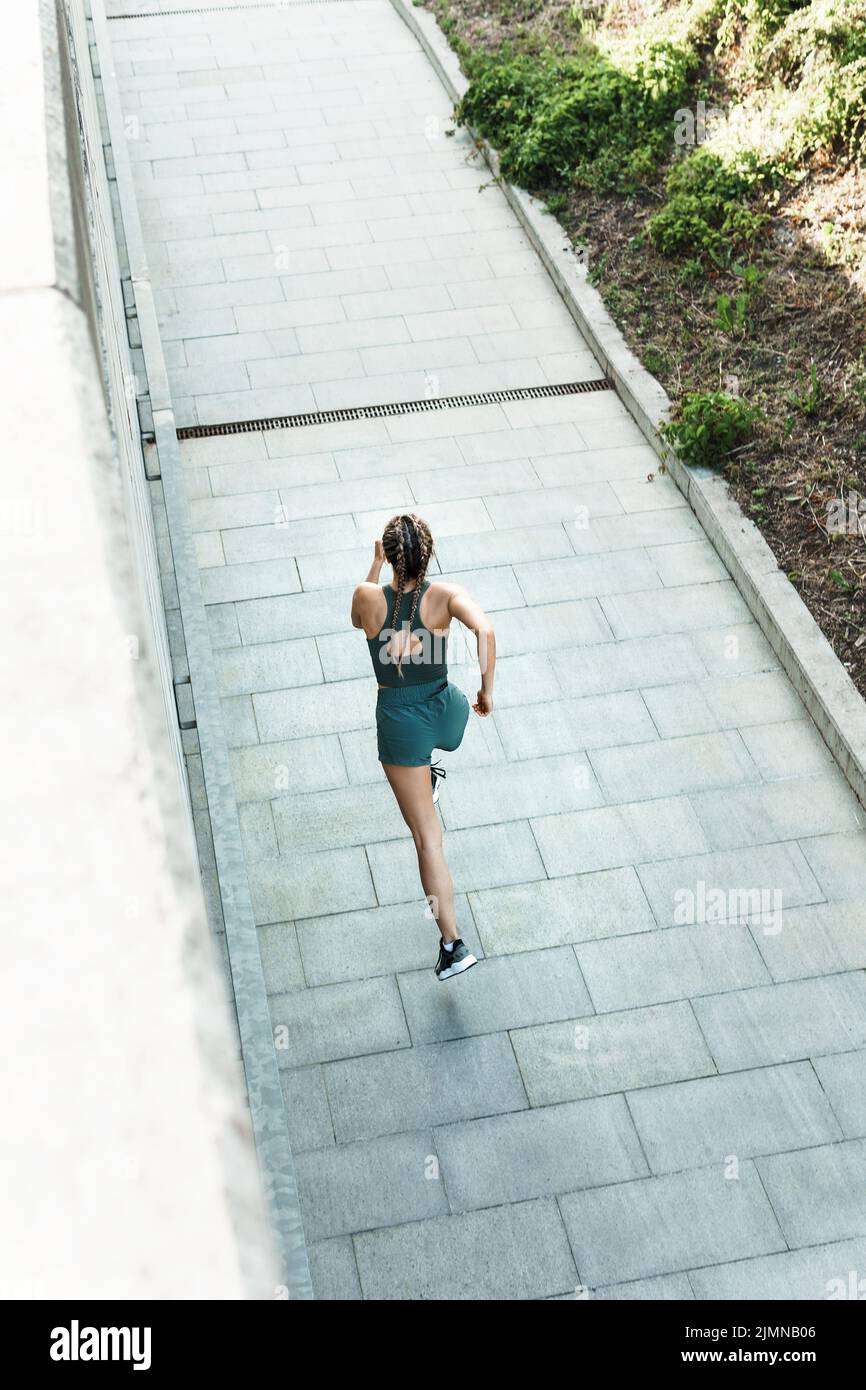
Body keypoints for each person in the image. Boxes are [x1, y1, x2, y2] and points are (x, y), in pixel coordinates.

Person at [351, 513, 496, 980]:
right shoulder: (445, 596)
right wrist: (485, 694)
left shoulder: (368, 597)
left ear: (390, 556)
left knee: (428, 840)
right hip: (446, 716)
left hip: (402, 725)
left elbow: (359, 617)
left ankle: (453, 946)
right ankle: (429, 772)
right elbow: (486, 632)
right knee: (442, 722)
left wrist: (374, 569)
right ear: (428, 554)